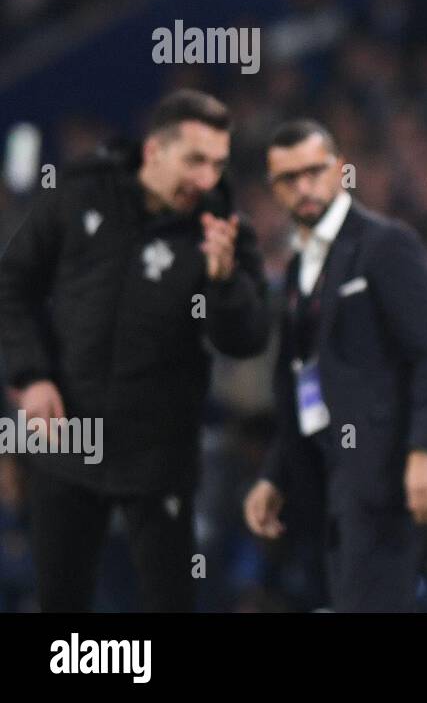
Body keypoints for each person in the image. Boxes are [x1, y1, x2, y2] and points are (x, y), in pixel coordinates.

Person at [0, 89, 271, 611]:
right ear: (154, 152)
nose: (206, 178)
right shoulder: (78, 199)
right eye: (195, 161)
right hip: (70, 440)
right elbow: (13, 285)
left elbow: (246, 336)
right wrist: (32, 377)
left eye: (216, 164)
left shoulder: (221, 225)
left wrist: (224, 283)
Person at [243, 119, 427, 611]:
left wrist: (426, 448)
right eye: (289, 178)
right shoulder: (300, 264)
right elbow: (304, 382)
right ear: (274, 188)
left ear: (341, 171)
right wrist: (275, 475)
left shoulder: (385, 244)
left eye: (314, 171)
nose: (304, 187)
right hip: (324, 477)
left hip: (386, 474)